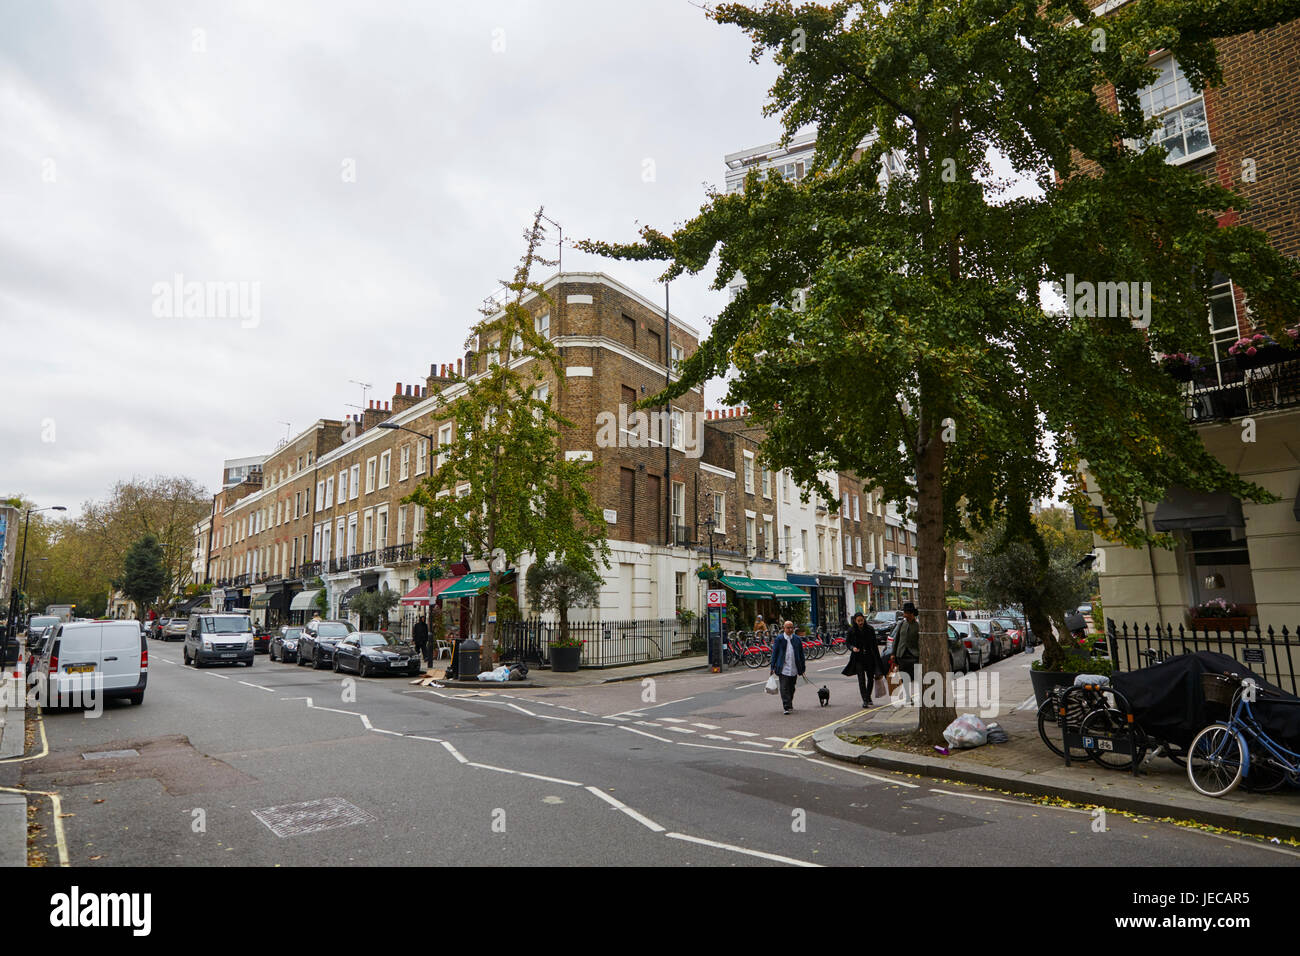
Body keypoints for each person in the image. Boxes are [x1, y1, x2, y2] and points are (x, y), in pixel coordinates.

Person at [842, 611, 884, 707]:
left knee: (870, 678)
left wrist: (878, 660)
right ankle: (865, 700)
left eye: (862, 620)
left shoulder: (870, 629)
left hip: (869, 657)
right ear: (855, 621)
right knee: (861, 680)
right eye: (858, 621)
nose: (860, 622)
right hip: (858, 658)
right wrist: (853, 648)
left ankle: (868, 696)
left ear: (864, 619)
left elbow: (874, 645)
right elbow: (847, 643)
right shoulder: (851, 631)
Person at [769, 619, 806, 715]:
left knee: (792, 688)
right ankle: (786, 706)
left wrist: (802, 668)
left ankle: (789, 703)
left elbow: (801, 654)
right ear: (784, 628)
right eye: (788, 628)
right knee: (784, 687)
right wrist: (772, 667)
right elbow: (775, 653)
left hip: (794, 667)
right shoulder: (779, 639)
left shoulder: (797, 639)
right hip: (783, 668)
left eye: (791, 628)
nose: (790, 629)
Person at [893, 602, 921, 687]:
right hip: (901, 656)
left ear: (911, 613)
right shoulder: (902, 624)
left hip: (914, 657)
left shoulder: (918, 626)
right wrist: (893, 654)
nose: (904, 615)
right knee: (904, 679)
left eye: (906, 613)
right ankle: (908, 697)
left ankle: (915, 695)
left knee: (915, 679)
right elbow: (896, 639)